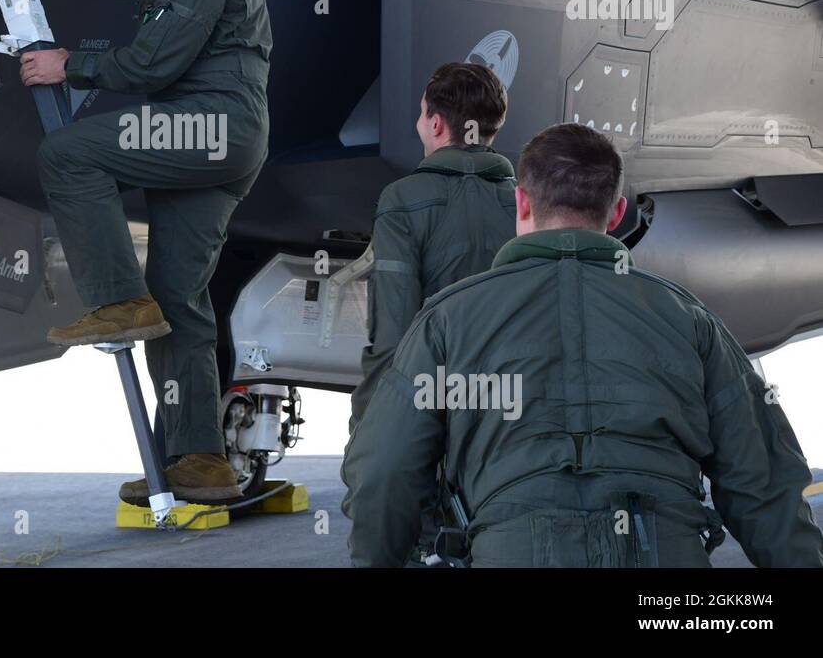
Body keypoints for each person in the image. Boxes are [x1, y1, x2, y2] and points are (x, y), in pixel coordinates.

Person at [341, 123, 823, 567]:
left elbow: (382, 475)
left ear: (521, 203)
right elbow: (765, 488)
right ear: (615, 212)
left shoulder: (445, 322)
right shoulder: (691, 322)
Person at [21, 0, 271, 505]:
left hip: (213, 126)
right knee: (179, 300)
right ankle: (198, 461)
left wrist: (69, 65)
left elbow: (155, 63)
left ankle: (114, 301)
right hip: (213, 137)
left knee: (67, 154)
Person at [350, 61, 515, 427]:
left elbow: (394, 336)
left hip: (431, 413)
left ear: (436, 123)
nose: (418, 123)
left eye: (422, 114)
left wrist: (368, 429)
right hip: (510, 418)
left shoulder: (402, 199)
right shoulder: (525, 203)